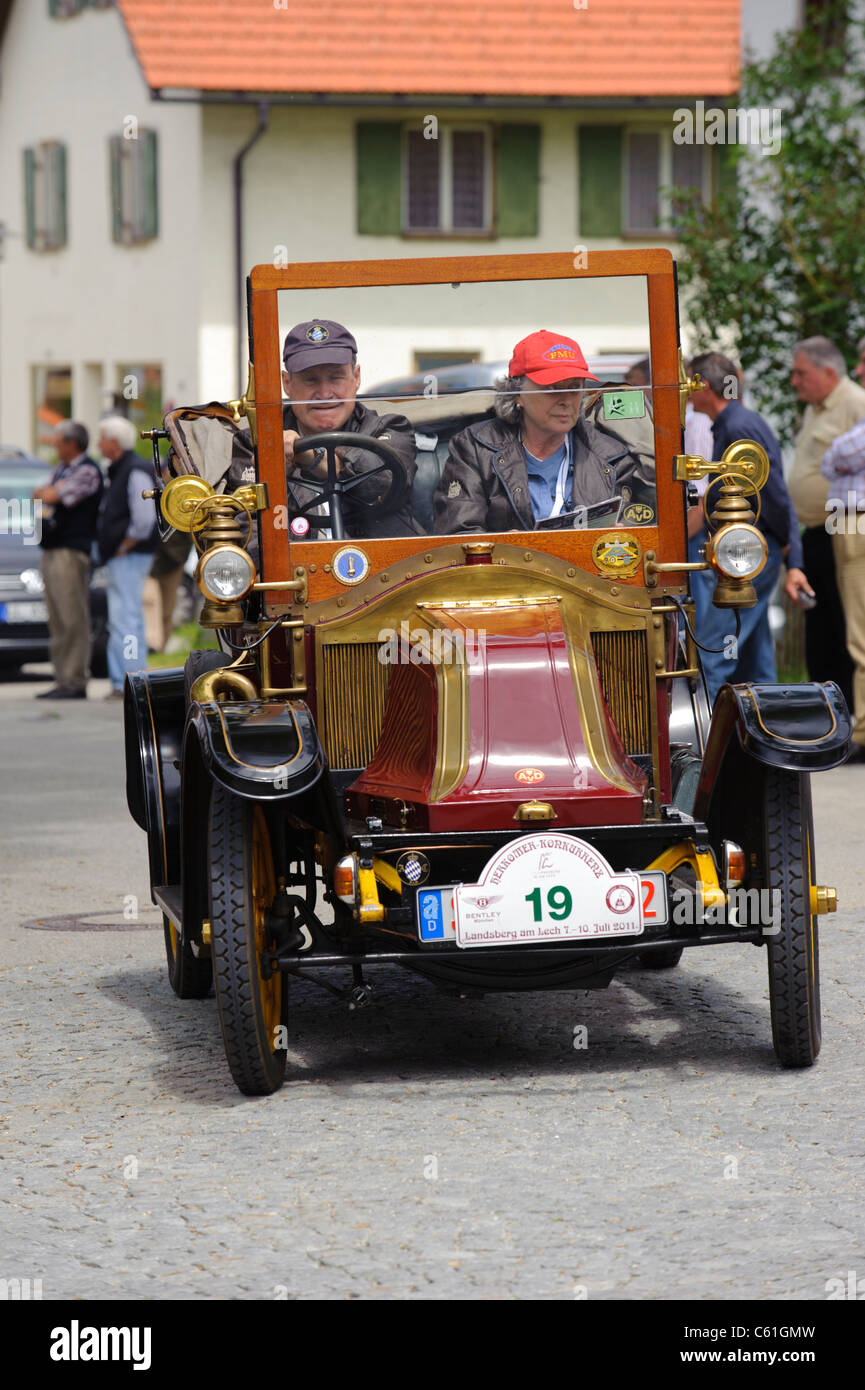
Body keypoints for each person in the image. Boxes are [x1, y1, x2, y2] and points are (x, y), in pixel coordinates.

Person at [434, 330, 655, 533]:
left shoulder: (611, 457)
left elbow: (640, 525)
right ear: (517, 393)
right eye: (552, 388)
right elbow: (459, 534)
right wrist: (502, 549)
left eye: (574, 387)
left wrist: (623, 532)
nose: (566, 400)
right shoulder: (474, 448)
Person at [687, 352, 812, 705]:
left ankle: (706, 750)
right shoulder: (733, 423)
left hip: (748, 555)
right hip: (749, 551)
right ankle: (772, 743)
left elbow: (776, 497)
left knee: (714, 654)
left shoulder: (739, 427)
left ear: (704, 387)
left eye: (689, 384)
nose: (685, 392)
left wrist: (794, 560)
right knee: (756, 660)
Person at [232, 319, 419, 537]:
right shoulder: (255, 443)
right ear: (286, 383)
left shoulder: (390, 428)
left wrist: (311, 457)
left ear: (356, 377)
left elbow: (381, 484)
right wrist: (275, 470)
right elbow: (250, 532)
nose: (324, 393)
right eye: (310, 380)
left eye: (335, 378)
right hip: (297, 568)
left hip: (387, 567)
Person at [787, 337, 865, 706]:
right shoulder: (814, 409)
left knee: (846, 625)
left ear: (828, 372)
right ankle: (829, 713)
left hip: (846, 529)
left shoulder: (855, 403)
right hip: (815, 534)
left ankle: (851, 713)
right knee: (819, 628)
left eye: (801, 372)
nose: (794, 381)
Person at [33, 420, 103, 700]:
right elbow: (39, 494)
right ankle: (62, 677)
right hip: (53, 550)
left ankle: (74, 680)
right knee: (58, 617)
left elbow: (49, 494)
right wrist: (48, 494)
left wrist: (50, 493)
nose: (55, 445)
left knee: (72, 616)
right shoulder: (64, 470)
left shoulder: (86, 470)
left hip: (70, 552)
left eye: (59, 441)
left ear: (73, 443)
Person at [95, 416, 158, 699]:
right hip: (124, 556)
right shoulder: (121, 470)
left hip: (129, 556)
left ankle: (130, 683)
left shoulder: (133, 470)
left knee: (126, 618)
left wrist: (124, 545)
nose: (98, 444)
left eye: (102, 438)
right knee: (123, 617)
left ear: (114, 443)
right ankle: (127, 679)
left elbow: (144, 519)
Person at [821, 413, 865, 761]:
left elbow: (841, 455)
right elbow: (830, 463)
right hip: (850, 522)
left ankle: (863, 733)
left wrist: (837, 452)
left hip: (857, 523)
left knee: (860, 636)